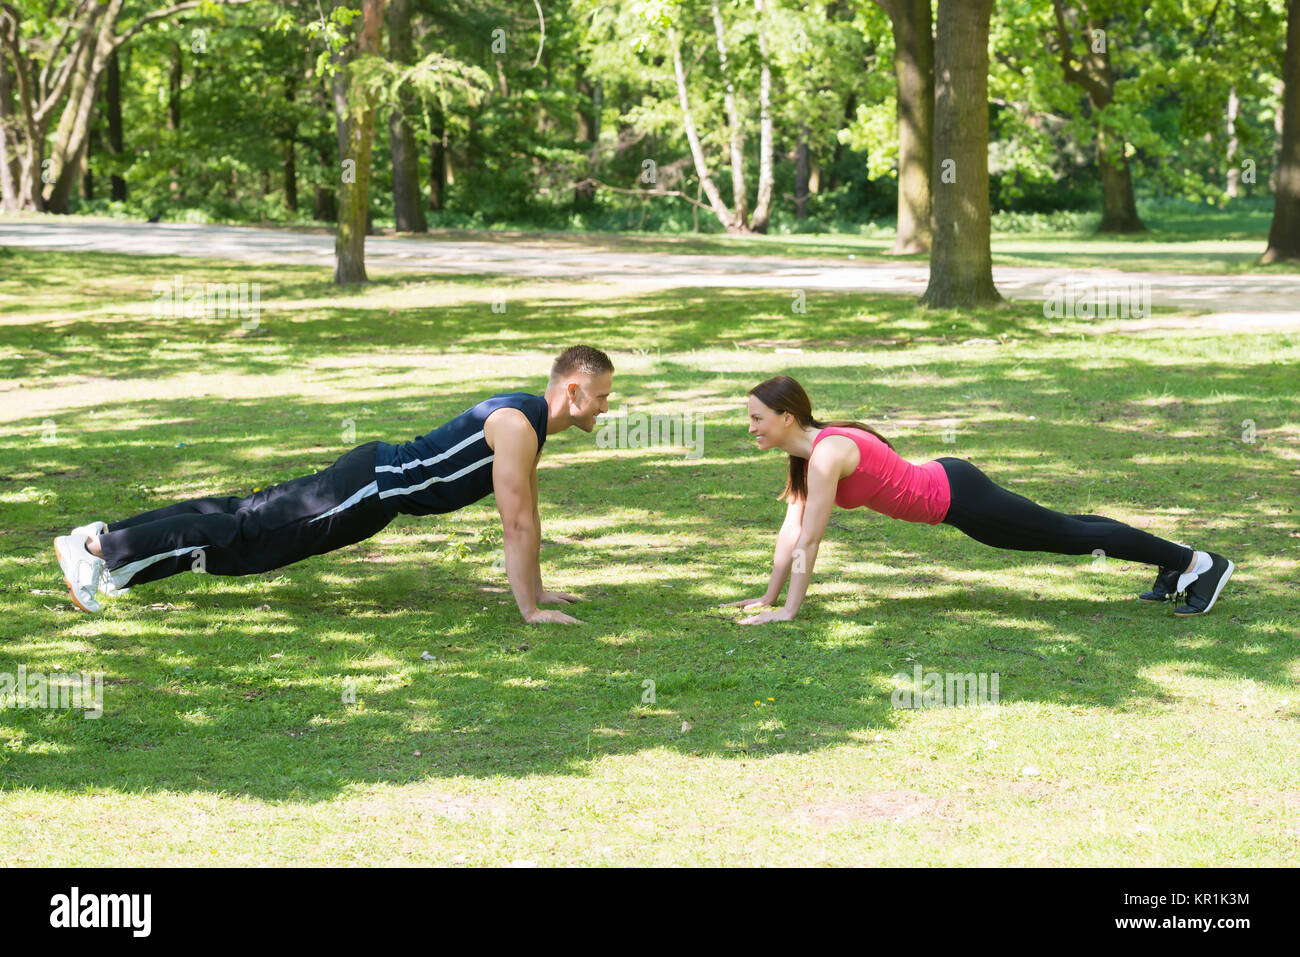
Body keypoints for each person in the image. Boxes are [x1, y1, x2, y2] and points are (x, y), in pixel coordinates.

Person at [53, 345, 614, 626]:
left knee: (240, 514)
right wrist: (528, 610)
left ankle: (107, 544)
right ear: (572, 390)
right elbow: (515, 524)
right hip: (368, 490)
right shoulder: (518, 427)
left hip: (368, 482)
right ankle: (99, 550)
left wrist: (537, 590)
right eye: (603, 395)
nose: (607, 406)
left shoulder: (528, 421)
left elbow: (529, 517)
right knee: (245, 535)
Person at [722, 375, 1234, 625]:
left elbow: (811, 538)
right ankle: (1175, 565)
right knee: (1067, 529)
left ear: (787, 416)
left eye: (756, 419)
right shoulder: (808, 458)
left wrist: (790, 610)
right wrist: (768, 597)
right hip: (955, 496)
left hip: (961, 498)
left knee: (1071, 534)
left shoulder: (828, 453)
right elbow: (791, 531)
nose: (751, 429)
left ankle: (1197, 563)